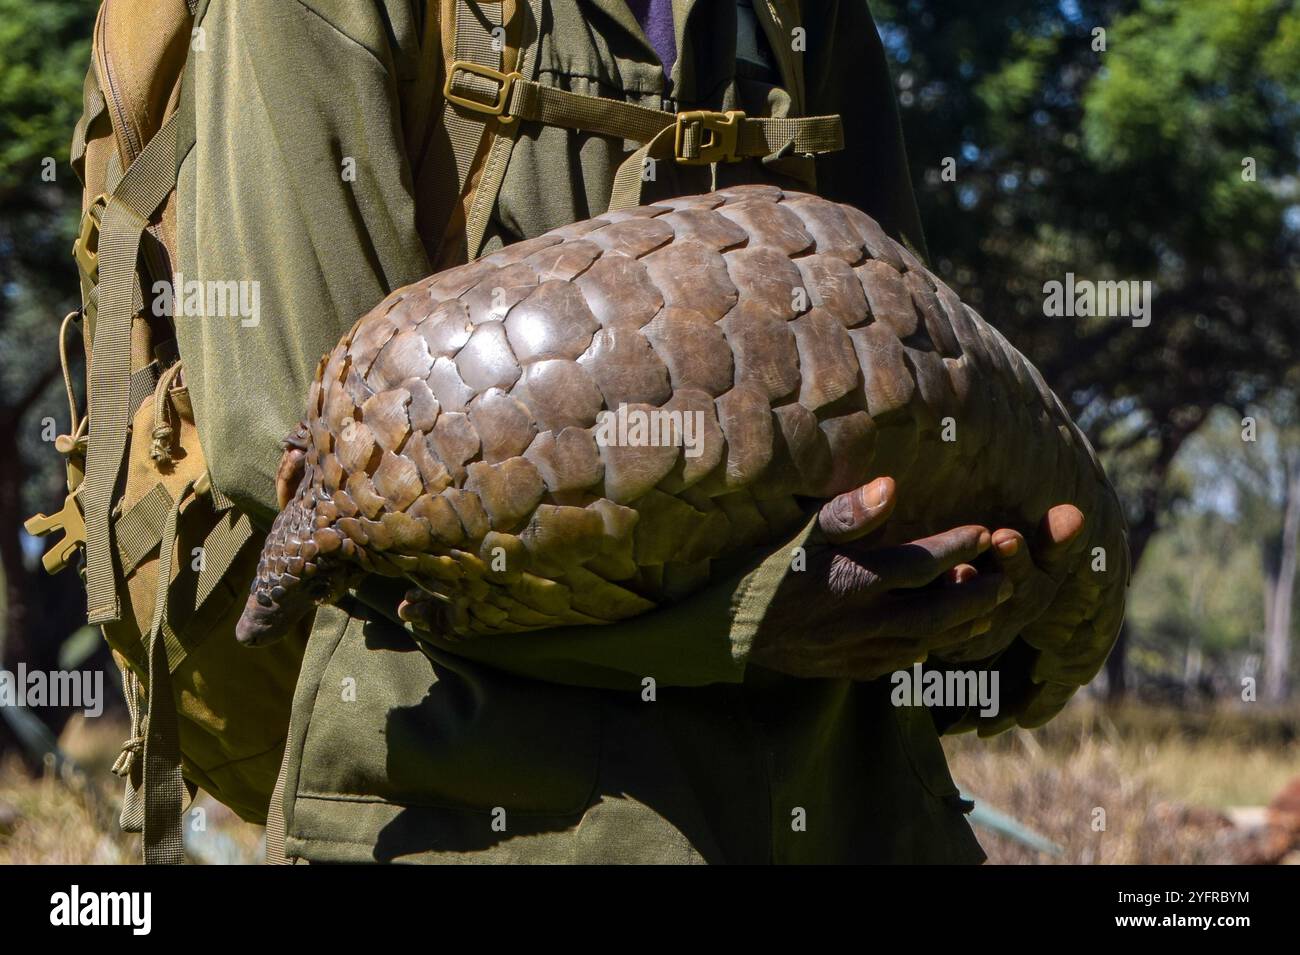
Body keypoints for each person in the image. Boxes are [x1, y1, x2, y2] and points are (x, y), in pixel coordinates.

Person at [174, 0, 1083, 863]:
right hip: (486, 803)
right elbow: (307, 470)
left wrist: (970, 595)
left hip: (840, 803)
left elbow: (898, 359)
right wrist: (725, 625)